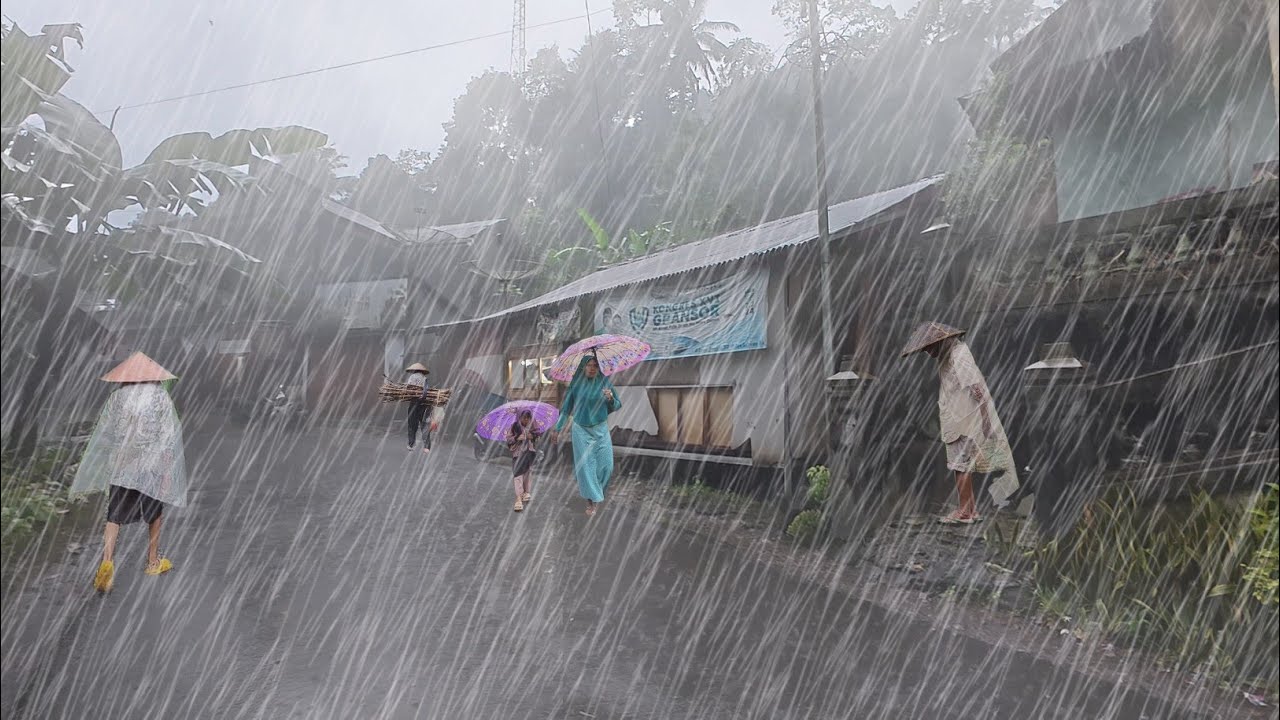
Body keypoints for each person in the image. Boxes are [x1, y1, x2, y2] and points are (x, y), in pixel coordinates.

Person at [70, 352, 189, 592]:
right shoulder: (160, 397)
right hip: (151, 464)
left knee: (114, 515)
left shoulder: (116, 398)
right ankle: (153, 561)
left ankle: (106, 563)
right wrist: (167, 469)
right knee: (155, 512)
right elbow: (168, 435)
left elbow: (106, 433)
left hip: (122, 465)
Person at [902, 322, 1019, 524]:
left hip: (963, 420)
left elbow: (976, 389)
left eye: (930, 347)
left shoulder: (958, 355)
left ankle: (965, 512)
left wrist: (985, 421)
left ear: (940, 342)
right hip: (960, 418)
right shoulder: (949, 356)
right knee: (962, 464)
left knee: (960, 465)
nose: (928, 352)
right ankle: (970, 510)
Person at [550, 355, 622, 516]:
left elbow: (617, 405)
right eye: (589, 365)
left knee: (607, 466)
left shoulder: (604, 383)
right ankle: (592, 501)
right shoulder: (576, 385)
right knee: (587, 467)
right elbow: (566, 410)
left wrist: (610, 399)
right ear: (583, 367)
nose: (592, 368)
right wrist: (557, 428)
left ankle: (597, 492)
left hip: (601, 429)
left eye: (595, 365)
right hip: (581, 431)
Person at [506, 410, 539, 512]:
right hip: (518, 454)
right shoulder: (514, 426)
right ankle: (518, 498)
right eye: (524, 418)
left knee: (527, 474)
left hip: (529, 453)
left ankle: (526, 492)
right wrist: (517, 438)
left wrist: (532, 436)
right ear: (519, 417)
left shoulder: (532, 426)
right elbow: (508, 439)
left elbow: (537, 436)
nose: (526, 420)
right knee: (518, 475)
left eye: (528, 418)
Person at [404, 362, 439, 453]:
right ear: (422, 371)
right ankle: (427, 447)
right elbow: (425, 391)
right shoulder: (424, 378)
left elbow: (407, 389)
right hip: (423, 404)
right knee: (425, 425)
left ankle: (411, 445)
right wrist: (422, 397)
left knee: (412, 425)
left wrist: (412, 396)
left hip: (413, 403)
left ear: (414, 370)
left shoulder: (411, 377)